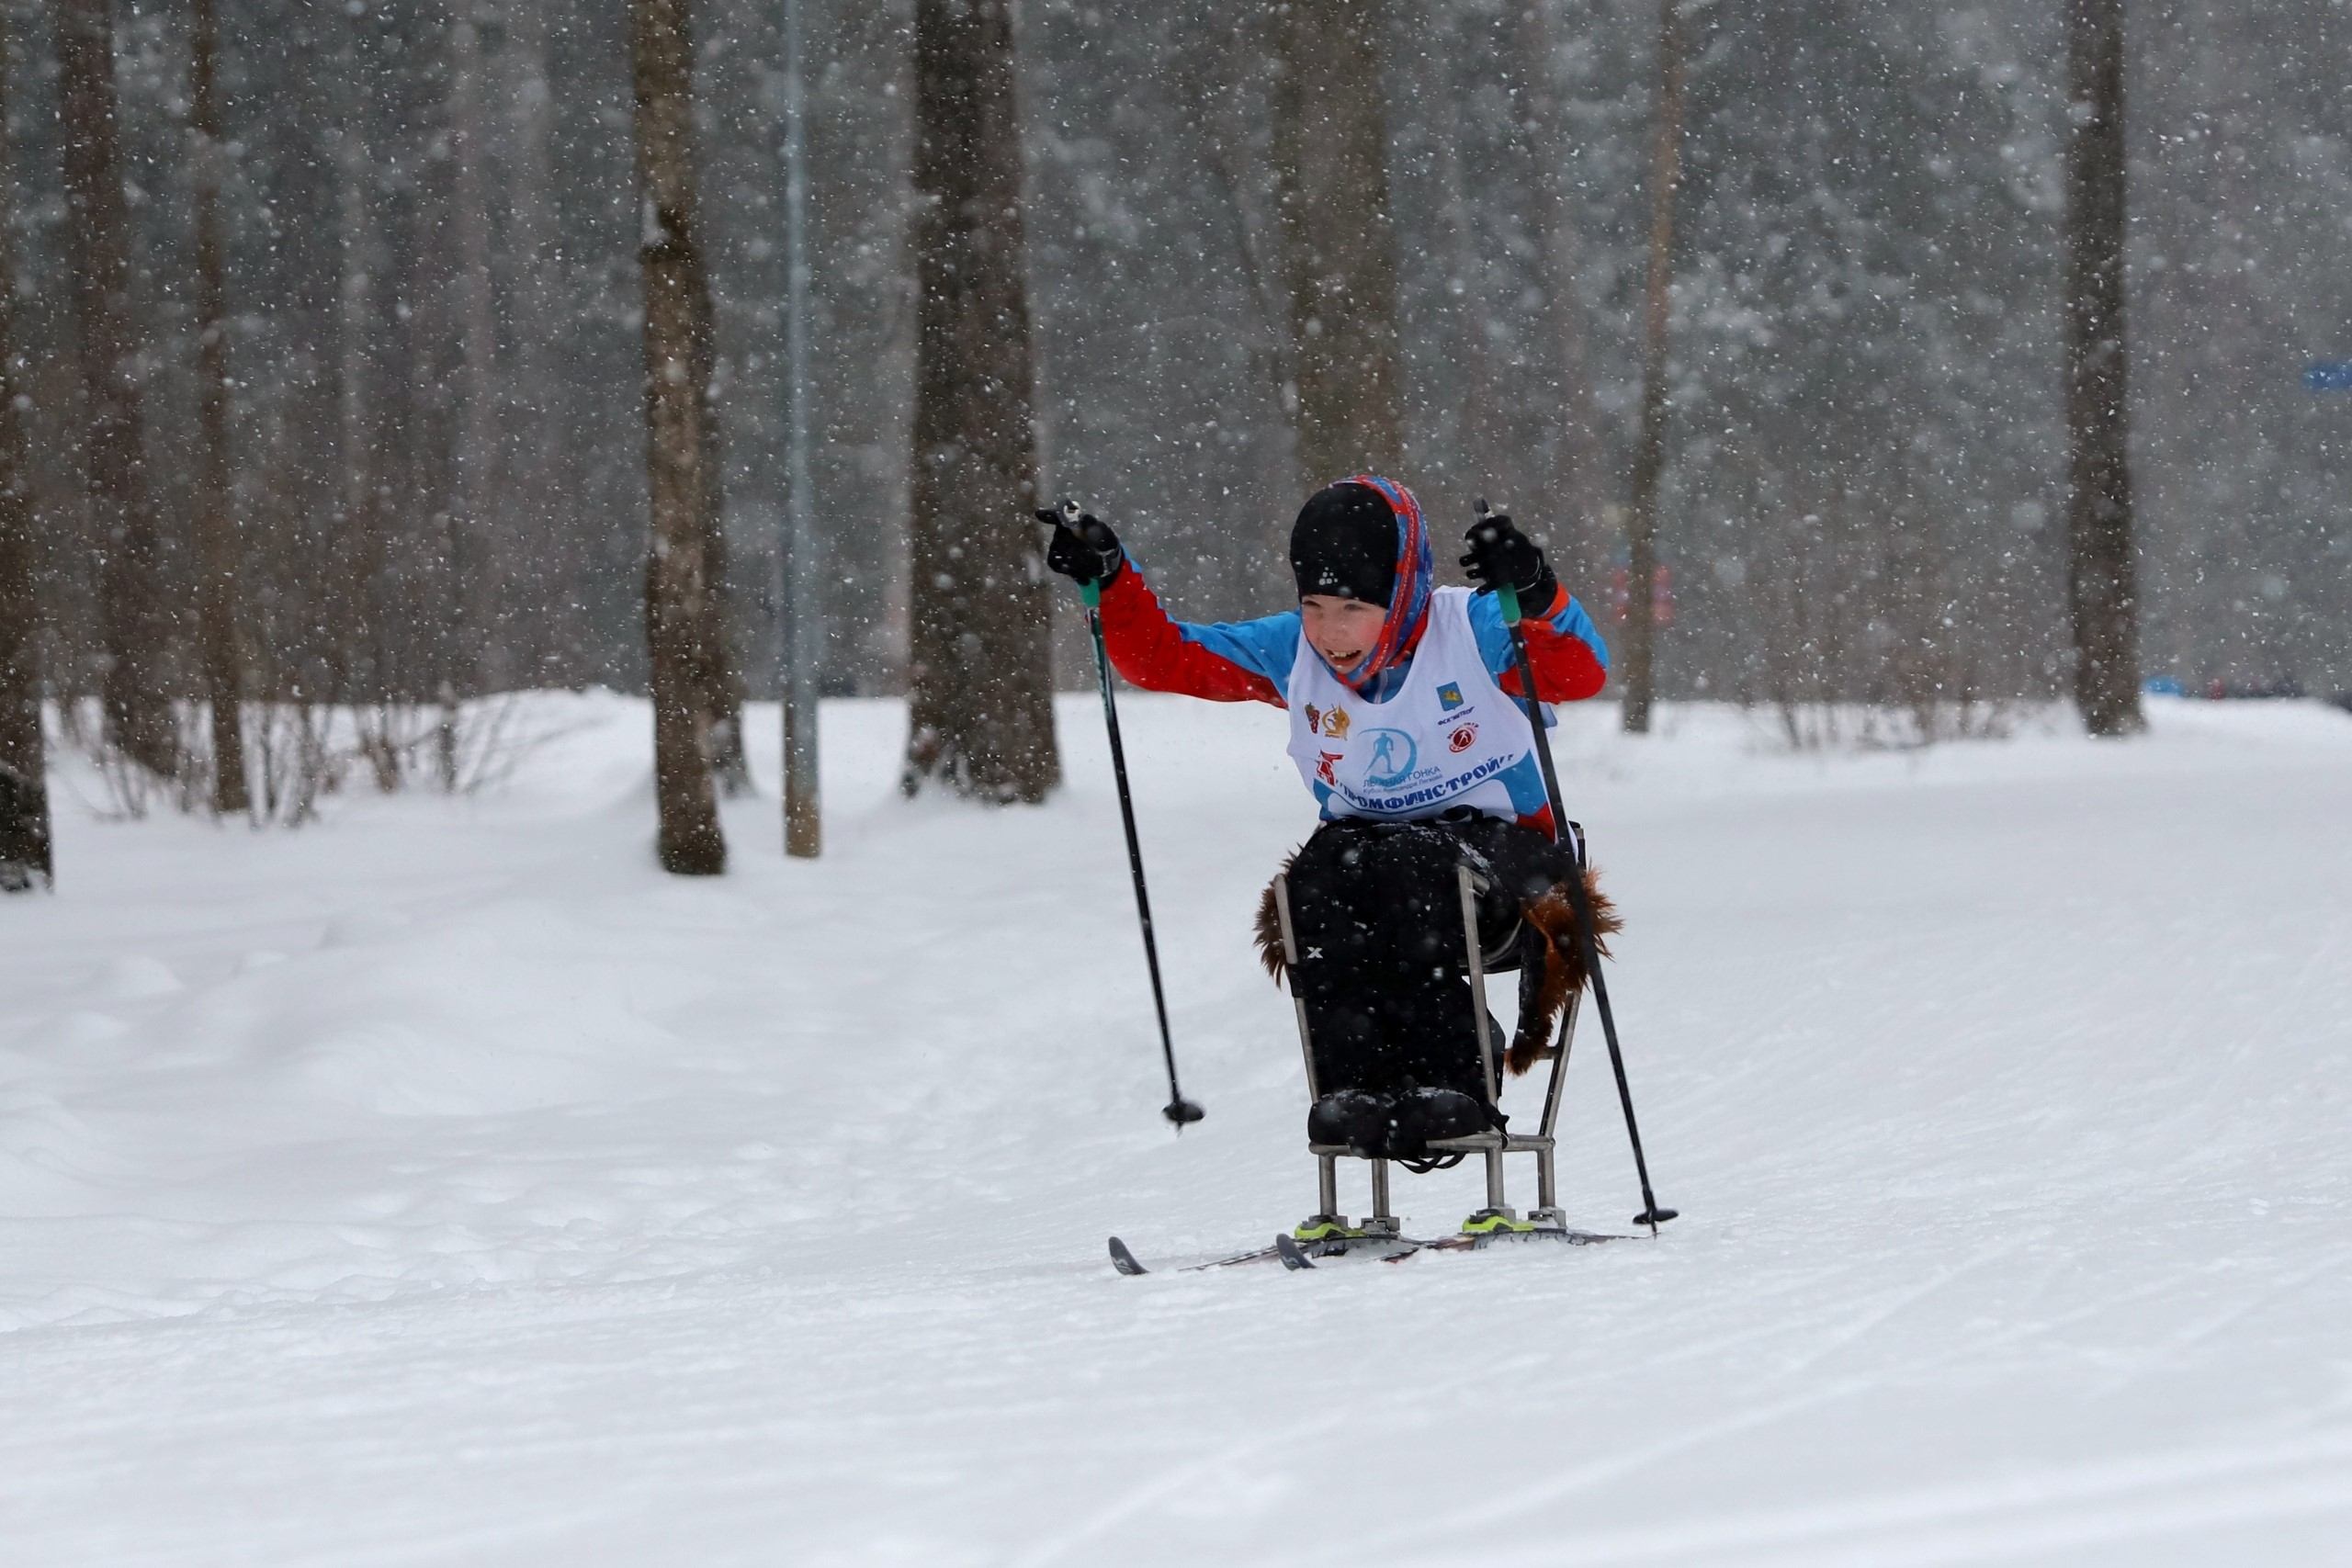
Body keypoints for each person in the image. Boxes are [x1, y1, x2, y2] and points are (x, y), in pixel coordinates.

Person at [1041, 477, 1617, 1164]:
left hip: (1513, 871)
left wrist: (1534, 591)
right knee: (1318, 878)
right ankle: (1356, 1092)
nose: (1331, 632)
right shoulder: (1296, 651)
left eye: (1353, 608)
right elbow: (1168, 657)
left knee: (1411, 866)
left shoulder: (1475, 627)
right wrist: (1111, 583)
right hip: (1371, 858)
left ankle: (1458, 1078)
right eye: (1313, 606)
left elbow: (1579, 672)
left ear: (1401, 594)